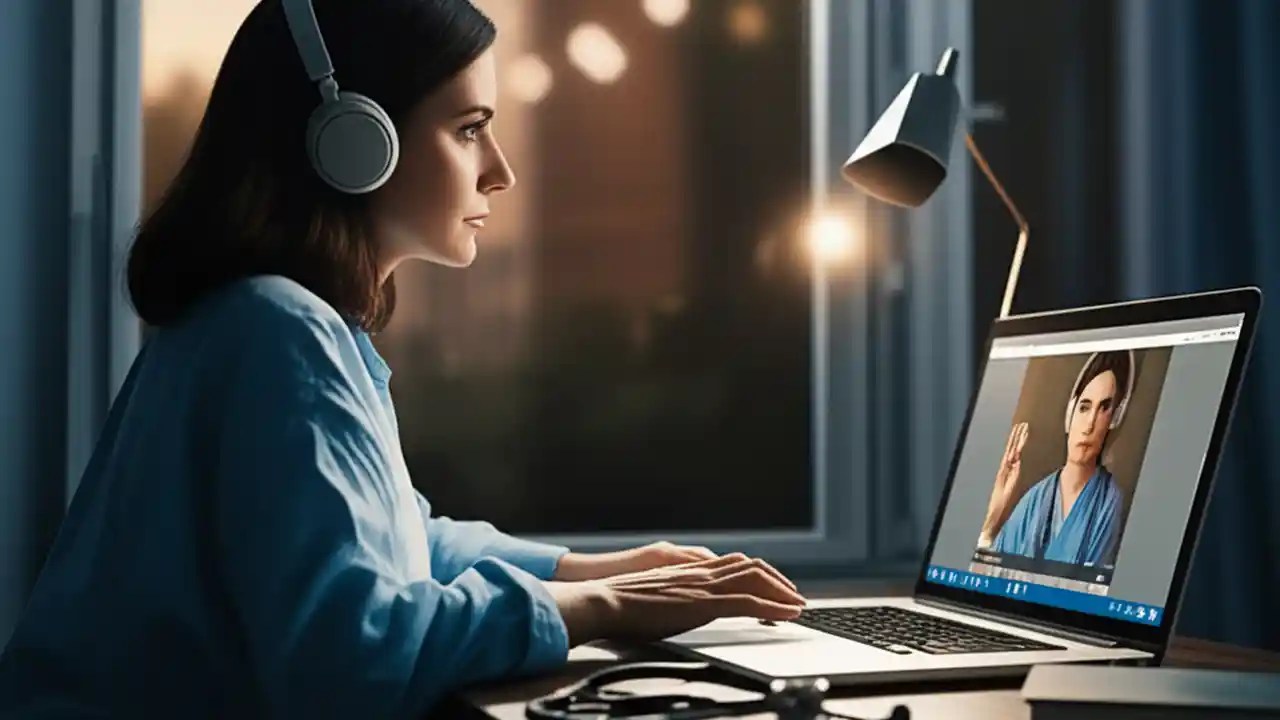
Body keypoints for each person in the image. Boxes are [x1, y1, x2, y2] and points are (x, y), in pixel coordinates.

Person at [0, 1, 805, 716]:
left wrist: (595, 567)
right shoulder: (276, 332)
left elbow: (399, 540)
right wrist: (590, 607)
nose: (501, 170)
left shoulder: (276, 322)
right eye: (467, 129)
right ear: (354, 141)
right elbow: (354, 655)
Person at [977, 350, 1135, 567]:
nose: (1089, 424)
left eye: (1103, 409)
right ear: (1071, 413)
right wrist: (991, 522)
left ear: (1114, 419)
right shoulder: (1034, 499)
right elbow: (988, 578)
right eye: (1084, 407)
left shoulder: (1108, 503)